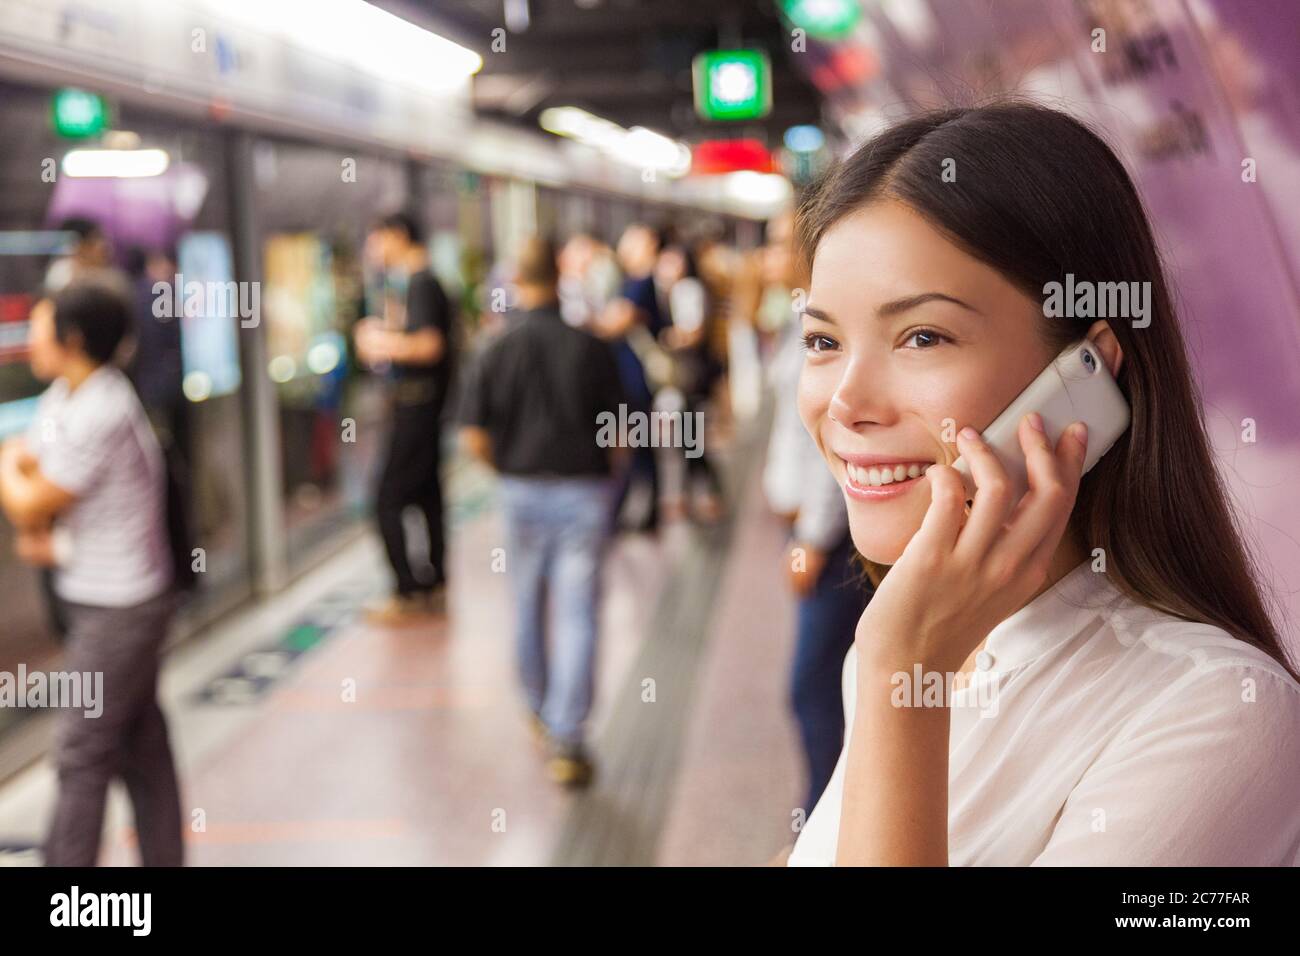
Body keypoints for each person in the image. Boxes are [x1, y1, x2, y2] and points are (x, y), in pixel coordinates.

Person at [781, 102, 1300, 866]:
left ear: (1086, 373)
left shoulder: (1218, 715)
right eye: (823, 340)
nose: (846, 405)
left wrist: (902, 677)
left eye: (922, 336)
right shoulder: (904, 648)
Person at [0, 274, 183, 866]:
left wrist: (5, 464)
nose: (32, 338)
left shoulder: (101, 407)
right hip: (102, 597)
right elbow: (33, 475)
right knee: (139, 743)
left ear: (72, 338)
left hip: (120, 608)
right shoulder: (67, 398)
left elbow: (30, 500)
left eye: (41, 325)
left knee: (81, 752)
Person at [459, 237, 626, 788]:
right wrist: (609, 480)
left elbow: (473, 436)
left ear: (515, 282)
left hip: (521, 491)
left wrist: (507, 470)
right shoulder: (591, 346)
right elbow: (620, 431)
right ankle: (568, 736)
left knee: (526, 600)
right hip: (583, 491)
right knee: (579, 611)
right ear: (558, 278)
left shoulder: (495, 349)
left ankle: (537, 707)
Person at [761, 222, 873, 816]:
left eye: (780, 243)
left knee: (813, 685)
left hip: (824, 537)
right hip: (801, 525)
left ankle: (823, 820)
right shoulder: (796, 316)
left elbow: (833, 438)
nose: (768, 255)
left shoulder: (830, 327)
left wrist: (811, 536)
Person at [354, 212, 455, 623]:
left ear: (398, 236)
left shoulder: (422, 282)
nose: (372, 249)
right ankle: (433, 580)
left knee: (386, 499)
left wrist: (381, 343)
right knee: (428, 494)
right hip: (420, 407)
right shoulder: (412, 284)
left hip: (417, 406)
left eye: (376, 239)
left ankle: (408, 588)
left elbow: (430, 345)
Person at [597, 223, 667, 532]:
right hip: (628, 373)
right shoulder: (631, 281)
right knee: (638, 442)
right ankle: (641, 507)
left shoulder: (643, 282)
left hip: (636, 375)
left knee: (638, 442)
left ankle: (642, 508)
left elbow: (615, 322)